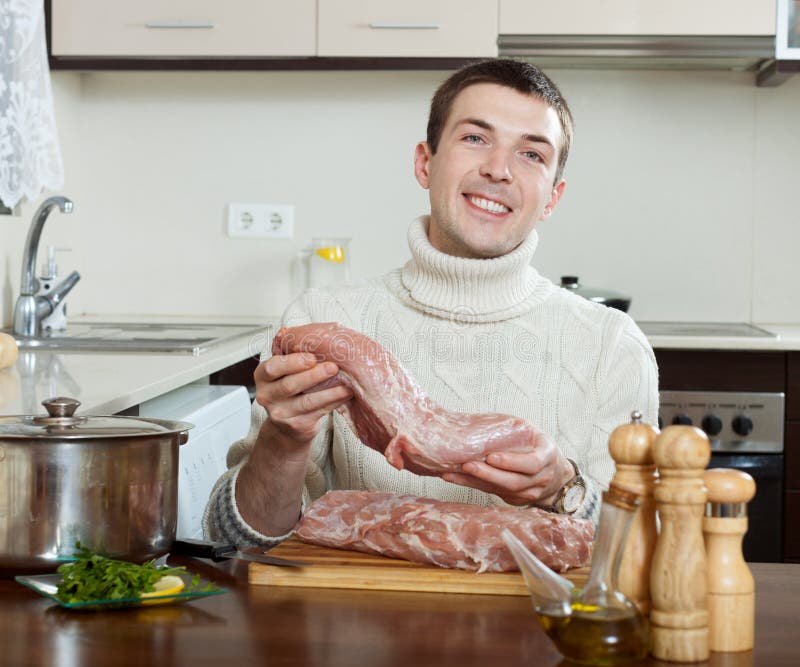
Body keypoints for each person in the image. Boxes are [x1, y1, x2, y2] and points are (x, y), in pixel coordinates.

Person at [204, 59, 659, 546]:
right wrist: (283, 440)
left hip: (537, 622)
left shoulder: (612, 345)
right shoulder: (324, 320)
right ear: (425, 162)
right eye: (475, 138)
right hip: (352, 615)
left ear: (552, 197)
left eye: (531, 154)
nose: (498, 170)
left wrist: (561, 488)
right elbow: (237, 541)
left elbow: (644, 546)